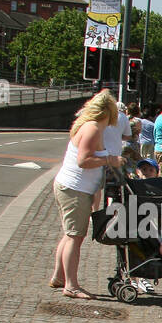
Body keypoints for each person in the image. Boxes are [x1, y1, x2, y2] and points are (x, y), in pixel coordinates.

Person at [51, 90, 122, 300]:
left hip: (74, 188)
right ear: (108, 113)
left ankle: (59, 277)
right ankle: (71, 285)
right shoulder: (92, 129)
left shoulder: (90, 126)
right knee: (75, 236)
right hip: (75, 189)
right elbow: (83, 161)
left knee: (70, 234)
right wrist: (109, 160)